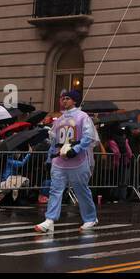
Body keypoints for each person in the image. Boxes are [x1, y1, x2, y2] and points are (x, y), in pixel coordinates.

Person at [34, 89, 99, 233]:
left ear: (75, 101)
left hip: (78, 160)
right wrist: (50, 157)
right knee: (55, 189)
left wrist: (75, 150)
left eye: (67, 98)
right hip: (60, 161)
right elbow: (53, 139)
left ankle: (90, 218)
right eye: (63, 98)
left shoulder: (83, 117)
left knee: (81, 190)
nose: (64, 101)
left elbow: (88, 137)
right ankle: (49, 219)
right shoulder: (59, 119)